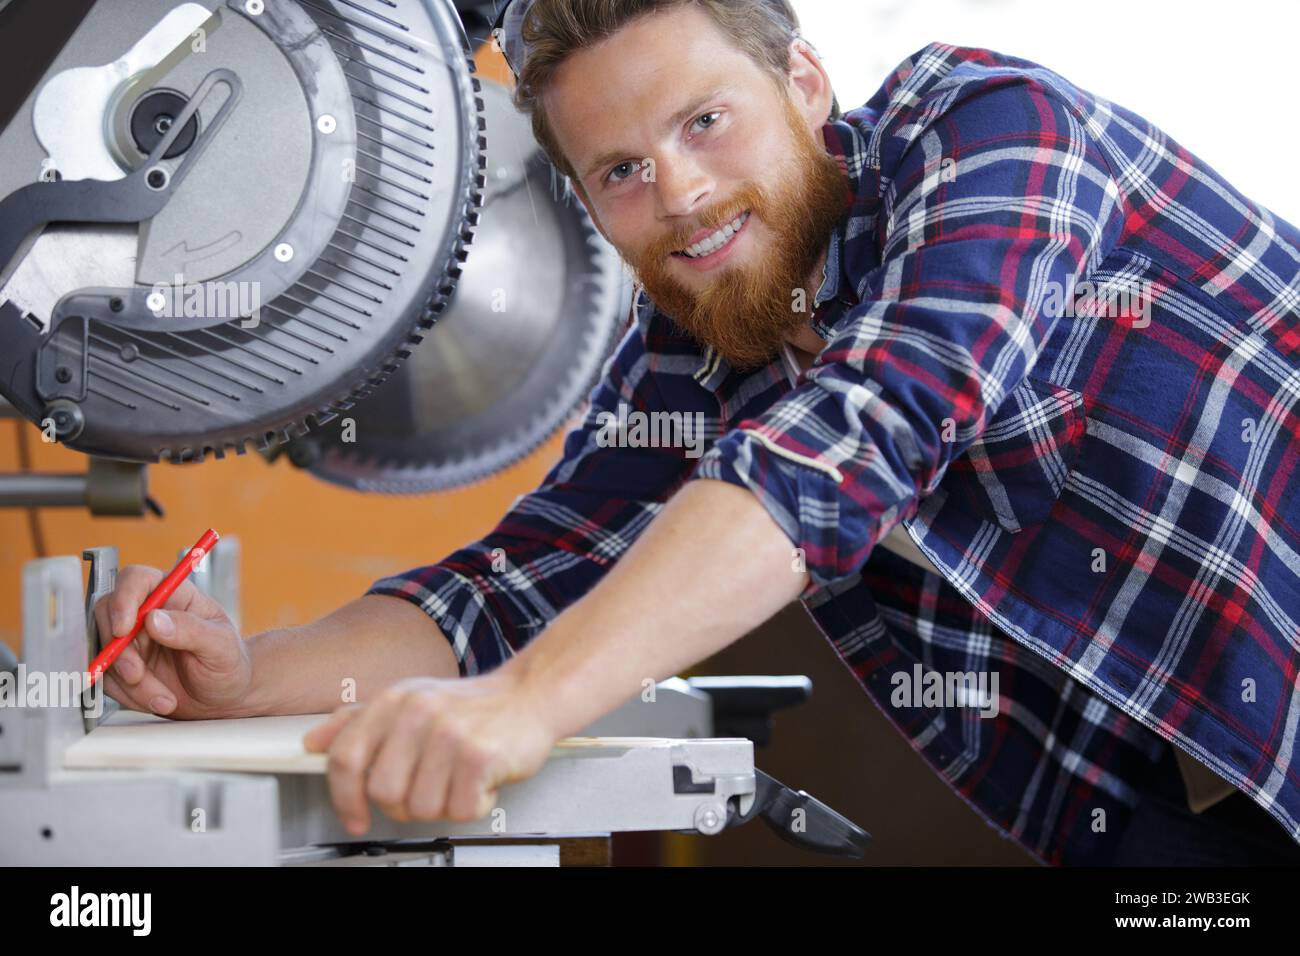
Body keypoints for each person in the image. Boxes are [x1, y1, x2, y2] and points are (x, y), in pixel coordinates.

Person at [96, 0, 1300, 865]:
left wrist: (528, 703)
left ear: (807, 83)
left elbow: (875, 418)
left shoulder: (995, 126)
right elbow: (507, 585)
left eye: (705, 121)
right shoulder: (703, 343)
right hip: (1175, 812)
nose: (674, 190)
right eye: (618, 169)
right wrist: (249, 673)